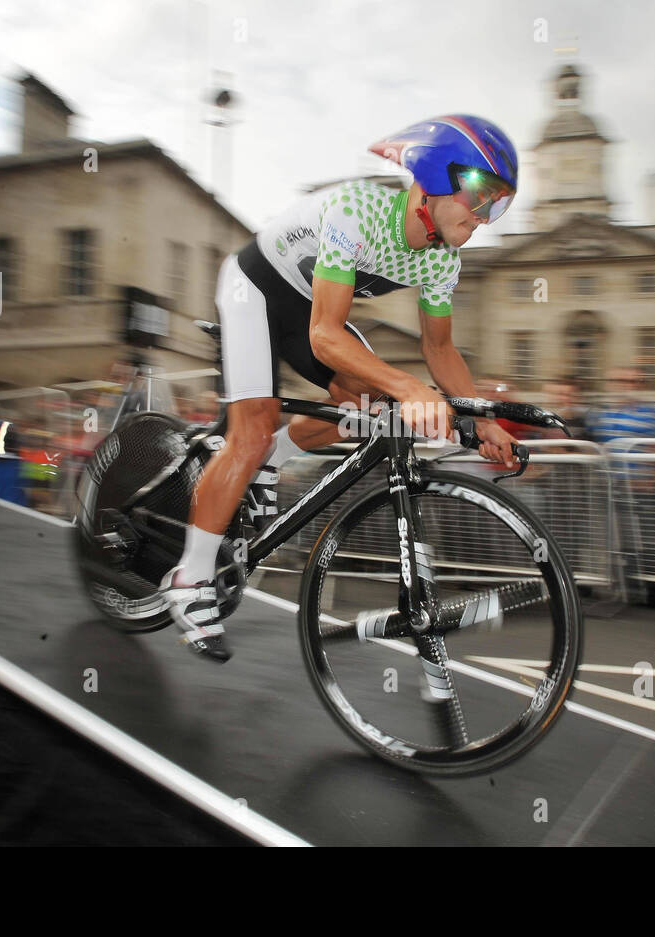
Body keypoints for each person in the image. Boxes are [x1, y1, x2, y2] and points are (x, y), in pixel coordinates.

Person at [161, 115, 523, 661]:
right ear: (430, 179)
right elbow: (327, 337)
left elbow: (440, 351)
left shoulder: (443, 258)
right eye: (480, 197)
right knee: (252, 428)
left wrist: (487, 421)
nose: (484, 217)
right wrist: (411, 389)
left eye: (498, 205)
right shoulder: (358, 211)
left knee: (368, 406)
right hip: (255, 289)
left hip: (308, 306)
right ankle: (188, 580)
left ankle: (271, 460)